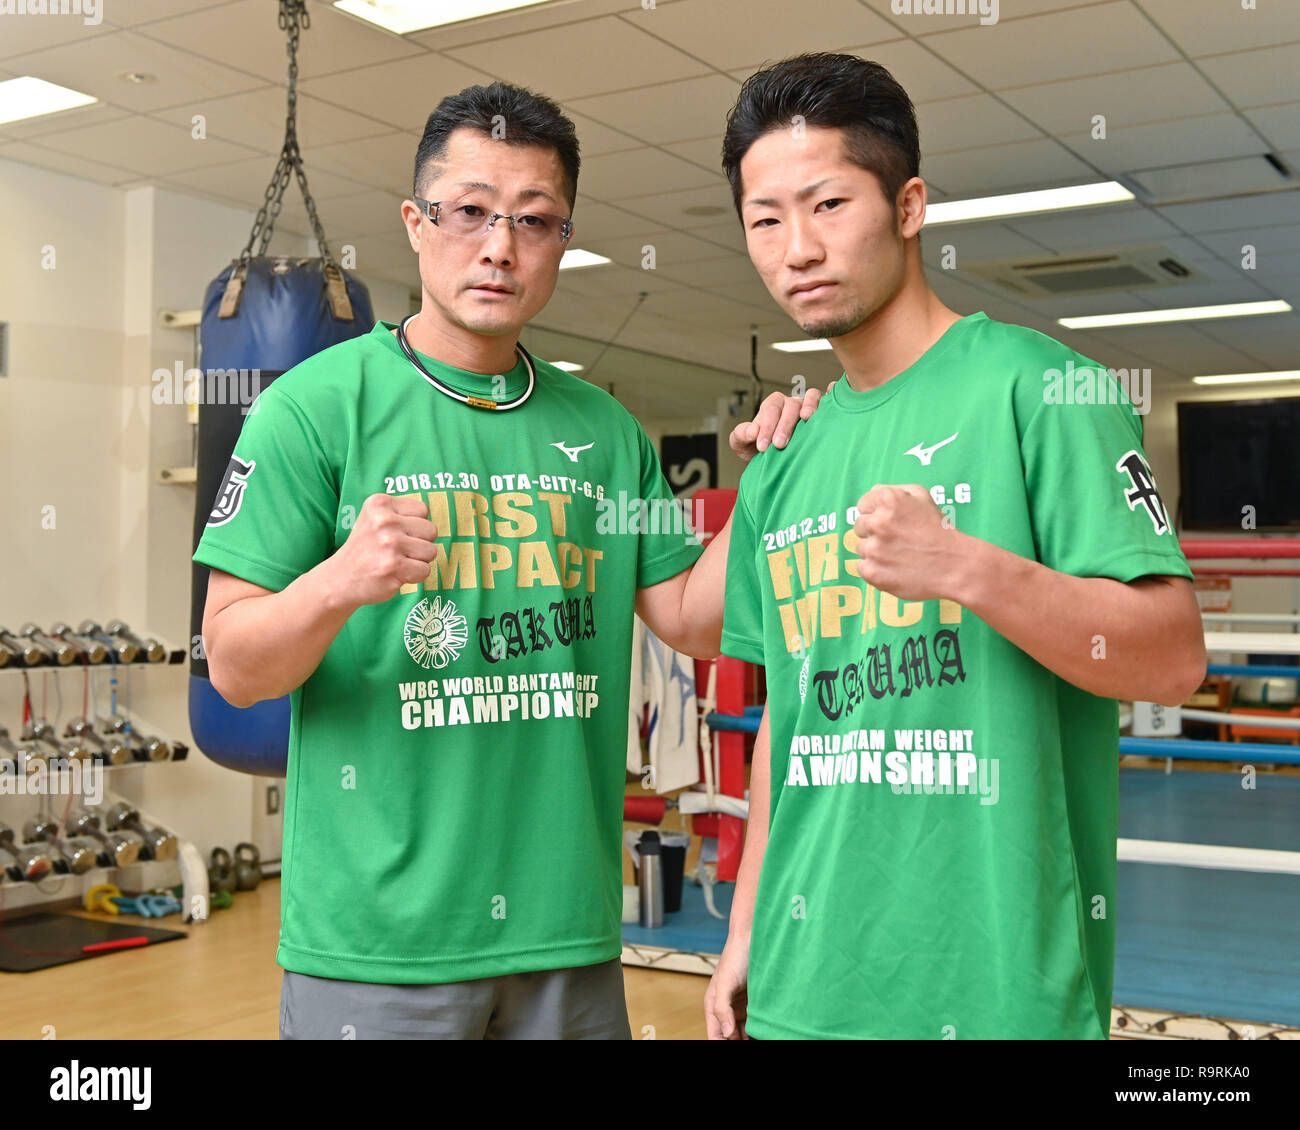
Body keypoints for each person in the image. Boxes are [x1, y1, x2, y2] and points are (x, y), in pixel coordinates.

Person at [193, 80, 817, 1040]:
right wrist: (339, 580)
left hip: (565, 932)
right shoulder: (313, 409)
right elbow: (233, 668)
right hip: (379, 942)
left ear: (561, 240)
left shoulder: (603, 430)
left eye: (534, 221)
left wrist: (775, 480)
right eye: (470, 212)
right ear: (415, 222)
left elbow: (691, 615)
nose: (498, 246)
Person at [705, 53, 1207, 1041]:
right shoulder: (785, 454)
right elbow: (787, 724)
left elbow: (1171, 654)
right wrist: (747, 930)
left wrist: (964, 565)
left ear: (908, 206)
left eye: (828, 203)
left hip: (996, 994)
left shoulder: (1040, 390)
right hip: (803, 989)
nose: (796, 246)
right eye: (764, 219)